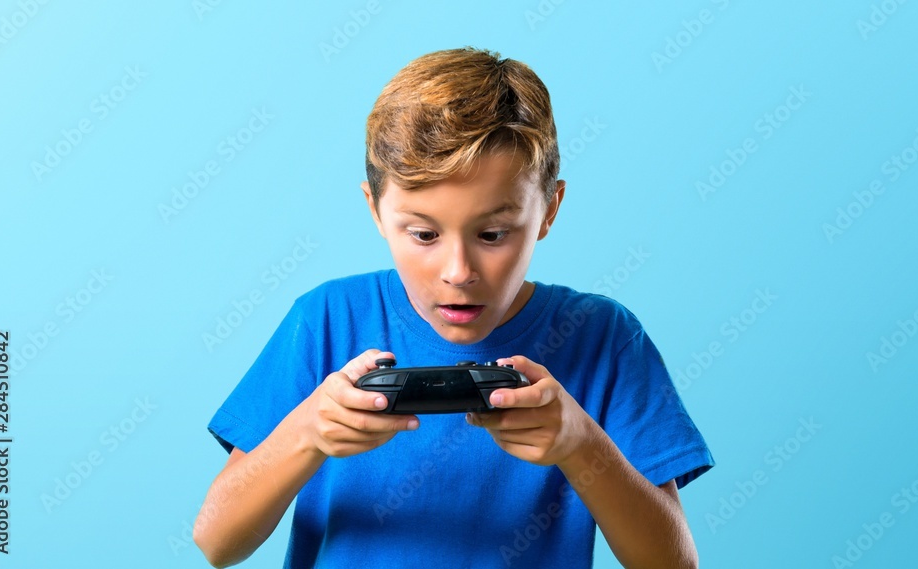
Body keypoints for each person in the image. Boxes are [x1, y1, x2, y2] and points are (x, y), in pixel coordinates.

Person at [194, 46, 714, 569]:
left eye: (492, 234)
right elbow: (217, 542)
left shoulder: (604, 338)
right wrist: (306, 432)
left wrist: (583, 446)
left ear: (549, 211)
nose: (458, 271)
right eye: (423, 234)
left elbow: (673, 564)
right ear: (375, 210)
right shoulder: (325, 319)